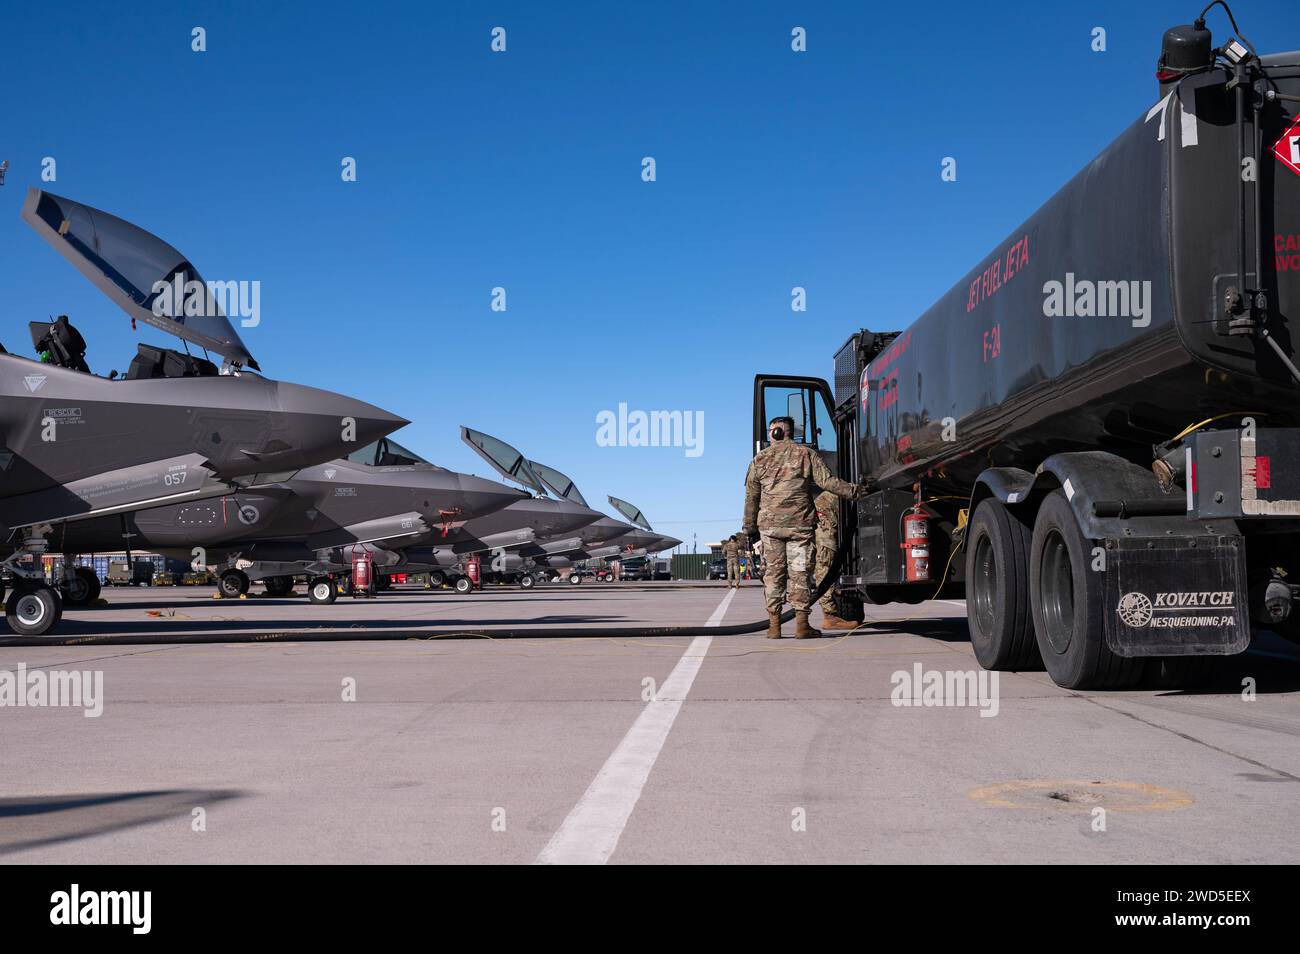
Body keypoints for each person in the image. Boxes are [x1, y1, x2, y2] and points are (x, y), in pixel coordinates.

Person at [742, 416, 871, 639]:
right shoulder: (806, 454)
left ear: (775, 432)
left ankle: (774, 627)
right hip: (799, 527)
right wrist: (857, 491)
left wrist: (749, 529)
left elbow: (751, 498)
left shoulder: (759, 460)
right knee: (800, 573)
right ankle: (802, 625)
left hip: (770, 528)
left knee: (773, 575)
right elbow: (828, 482)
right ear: (791, 432)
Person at [813, 490, 857, 630]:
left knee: (827, 564)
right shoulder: (828, 498)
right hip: (826, 512)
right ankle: (829, 615)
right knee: (826, 565)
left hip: (827, 510)